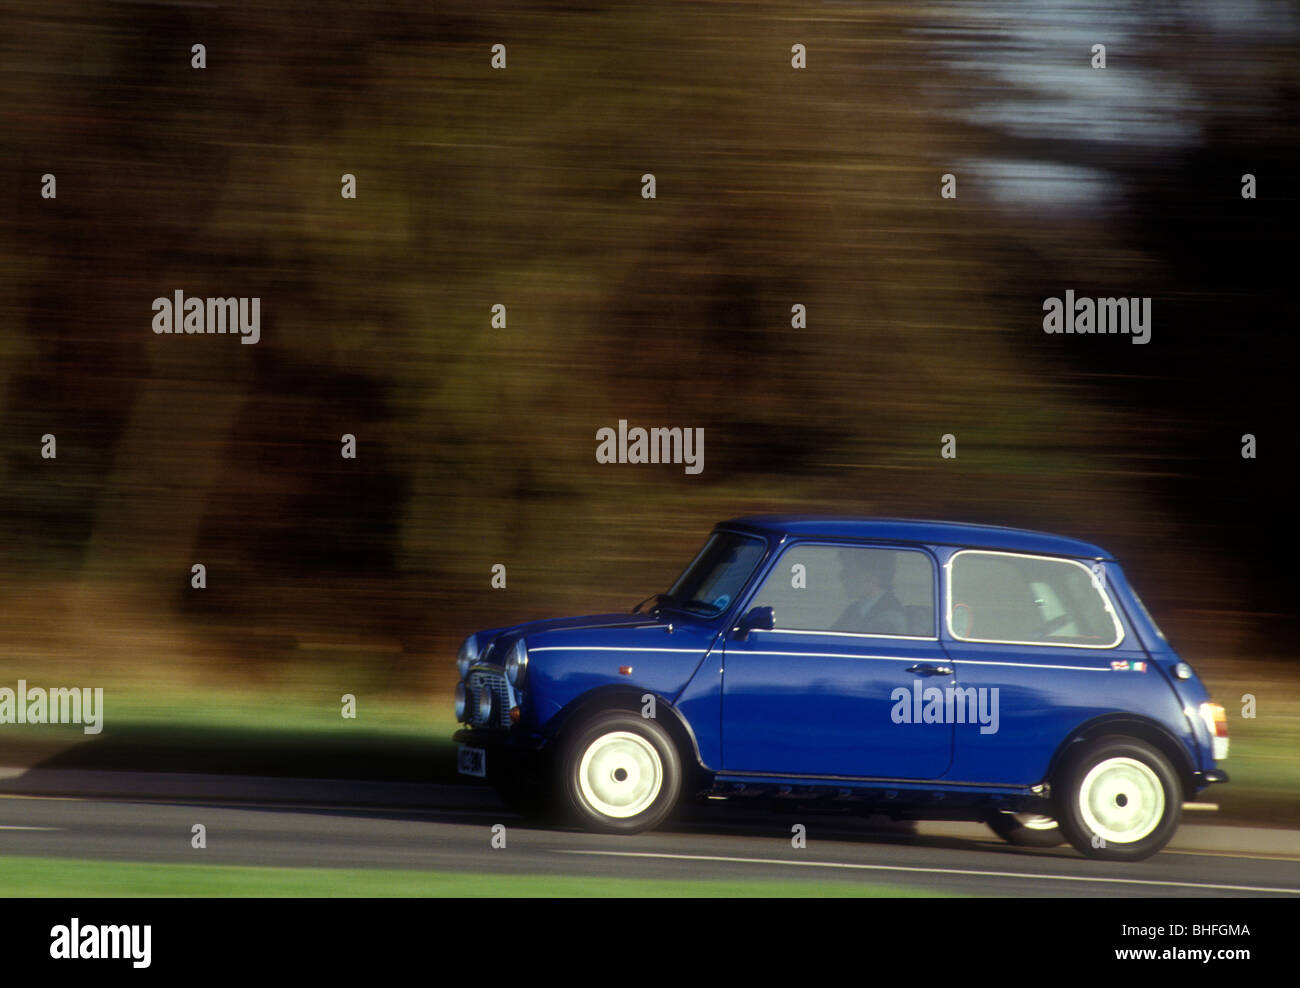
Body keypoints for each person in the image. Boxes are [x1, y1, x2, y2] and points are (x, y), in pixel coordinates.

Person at [832, 549, 906, 635]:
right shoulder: (853, 610)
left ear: (873, 575)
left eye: (849, 568)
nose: (841, 575)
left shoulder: (890, 619)